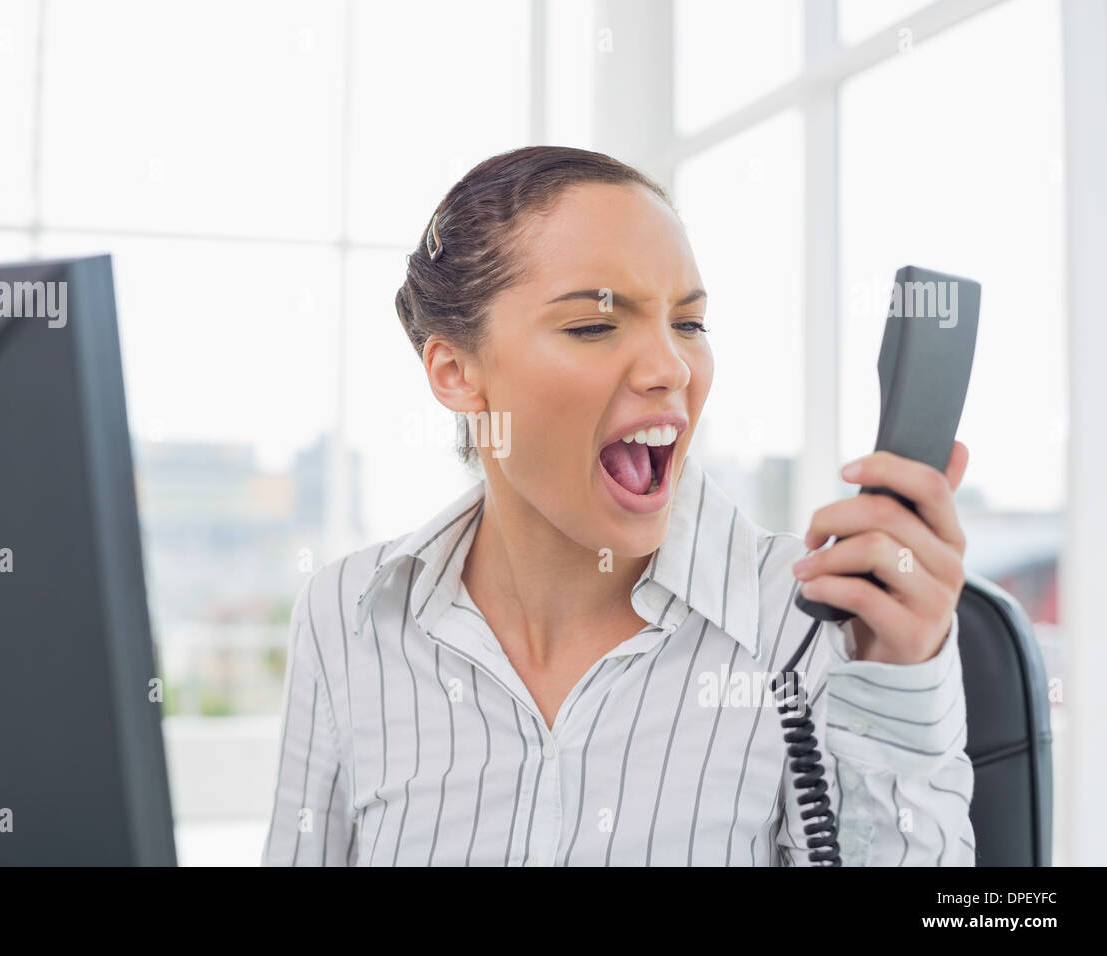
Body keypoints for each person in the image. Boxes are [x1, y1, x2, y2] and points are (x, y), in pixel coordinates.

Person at [261, 145, 974, 866]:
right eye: (594, 326)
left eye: (688, 324)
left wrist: (899, 691)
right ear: (455, 372)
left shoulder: (813, 618)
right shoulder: (346, 616)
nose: (670, 367)